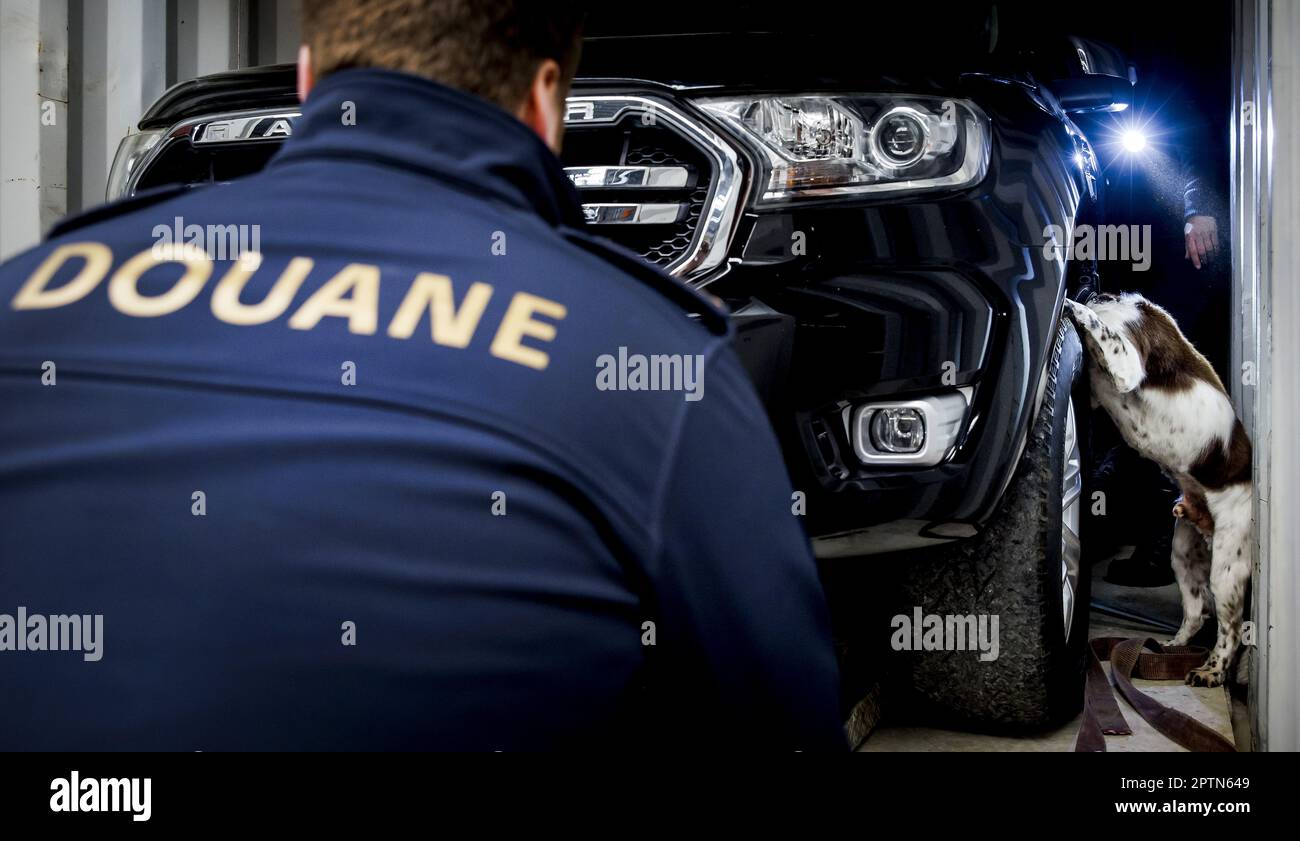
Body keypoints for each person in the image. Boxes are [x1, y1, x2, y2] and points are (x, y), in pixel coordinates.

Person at [0, 0, 844, 750]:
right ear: (546, 102)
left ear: (306, 81)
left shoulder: (32, 291)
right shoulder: (655, 366)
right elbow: (785, 720)